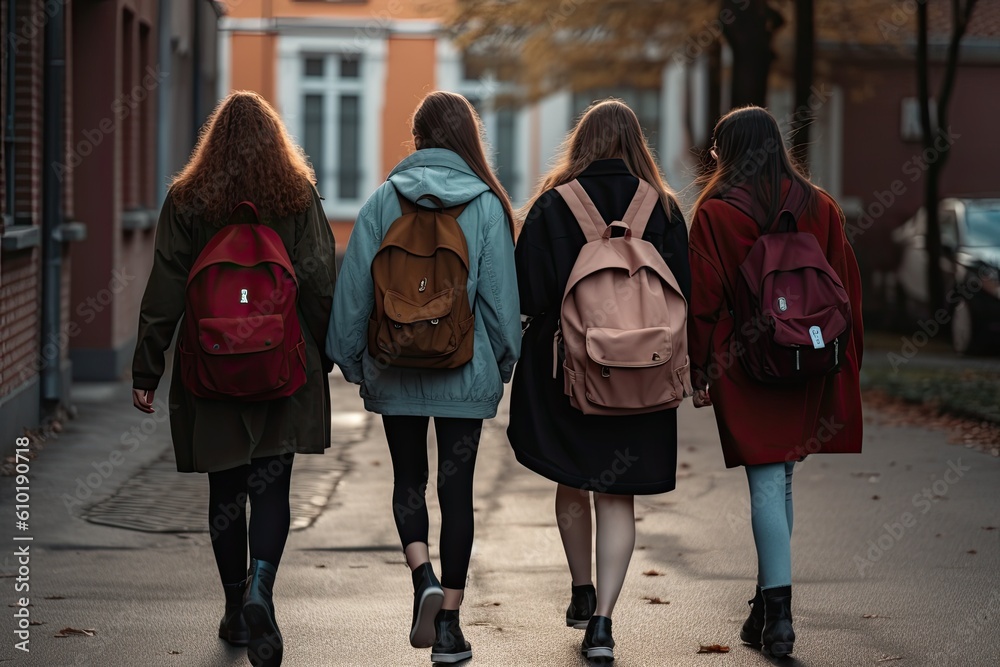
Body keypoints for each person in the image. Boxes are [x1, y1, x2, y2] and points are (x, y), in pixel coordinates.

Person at [131, 90, 337, 667]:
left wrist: (147, 366)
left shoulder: (187, 199)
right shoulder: (296, 196)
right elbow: (320, 279)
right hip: (282, 366)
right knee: (272, 483)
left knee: (225, 488)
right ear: (278, 141)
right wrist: (330, 352)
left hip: (210, 366)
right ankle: (260, 590)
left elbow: (166, 288)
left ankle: (232, 607)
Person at [327, 90, 520, 664]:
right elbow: (501, 304)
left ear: (416, 139)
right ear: (467, 138)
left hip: (395, 368)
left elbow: (353, 295)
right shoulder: (486, 205)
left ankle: (423, 579)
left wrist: (355, 362)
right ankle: (451, 630)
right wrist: (500, 363)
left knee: (408, 480)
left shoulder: (384, 199)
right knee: (456, 493)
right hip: (465, 372)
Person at [507, 99, 691, 663]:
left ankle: (580, 588)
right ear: (639, 144)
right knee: (618, 496)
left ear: (579, 143)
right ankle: (604, 623)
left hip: (570, 373)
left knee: (572, 476)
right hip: (643, 380)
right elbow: (687, 291)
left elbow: (530, 294)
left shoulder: (551, 208)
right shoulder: (663, 209)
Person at [687, 105, 864, 658]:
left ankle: (779, 618)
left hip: (744, 361)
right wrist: (846, 355)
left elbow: (703, 299)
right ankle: (765, 608)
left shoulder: (716, 213)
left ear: (726, 152)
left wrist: (701, 367)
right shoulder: (820, 206)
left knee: (767, 480)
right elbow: (847, 288)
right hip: (807, 358)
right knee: (781, 478)